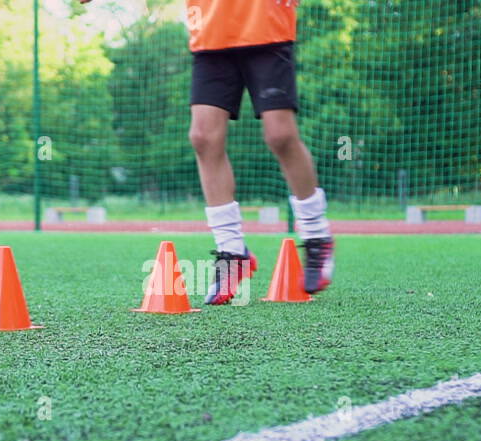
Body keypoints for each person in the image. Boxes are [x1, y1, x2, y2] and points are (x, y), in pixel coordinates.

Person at [82, 0, 334, 304]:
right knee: (203, 137)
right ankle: (231, 250)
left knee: (280, 135)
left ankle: (317, 236)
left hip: (266, 27)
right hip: (211, 35)